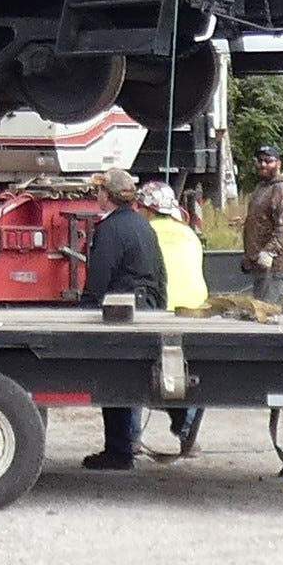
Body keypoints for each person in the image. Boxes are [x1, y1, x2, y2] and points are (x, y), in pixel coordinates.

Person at [80, 166, 168, 471]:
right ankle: (128, 442)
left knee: (114, 378)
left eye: (99, 191)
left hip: (123, 310)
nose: (96, 196)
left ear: (108, 195)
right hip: (147, 305)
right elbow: (160, 272)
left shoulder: (110, 229)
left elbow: (100, 275)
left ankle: (119, 451)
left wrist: (84, 311)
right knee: (132, 377)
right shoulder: (144, 225)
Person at [139, 180, 208, 456]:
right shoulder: (188, 233)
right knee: (182, 372)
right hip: (195, 307)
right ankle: (187, 427)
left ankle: (131, 438)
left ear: (147, 209)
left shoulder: (145, 232)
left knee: (137, 371)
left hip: (164, 308)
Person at [242, 144, 283, 306]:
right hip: (258, 261)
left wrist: (269, 252)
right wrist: (249, 255)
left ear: (279, 163)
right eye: (260, 161)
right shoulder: (262, 188)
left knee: (267, 311)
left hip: (276, 263)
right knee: (258, 310)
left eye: (269, 161)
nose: (263, 165)